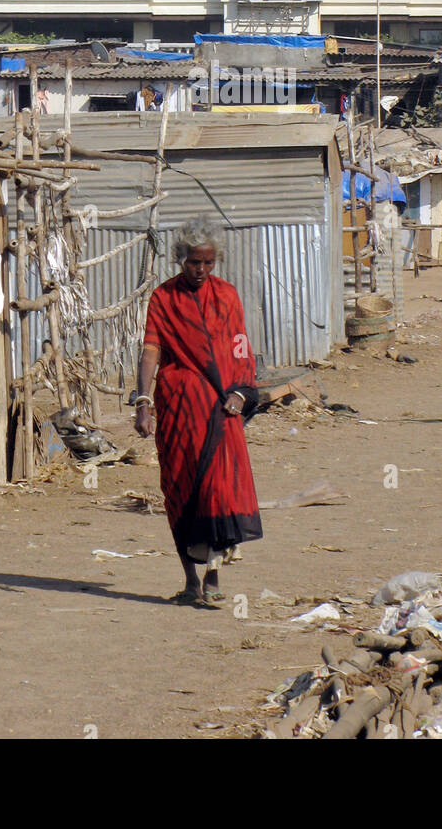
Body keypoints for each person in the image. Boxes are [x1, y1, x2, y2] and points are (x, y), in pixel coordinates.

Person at [134, 219, 262, 607]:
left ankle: (214, 574)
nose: (200, 270)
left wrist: (241, 392)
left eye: (207, 263)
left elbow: (239, 347)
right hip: (177, 408)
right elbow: (151, 349)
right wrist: (143, 400)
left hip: (220, 409)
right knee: (180, 489)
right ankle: (190, 580)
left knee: (217, 490)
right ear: (180, 259)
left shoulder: (227, 296)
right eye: (193, 263)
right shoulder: (163, 298)